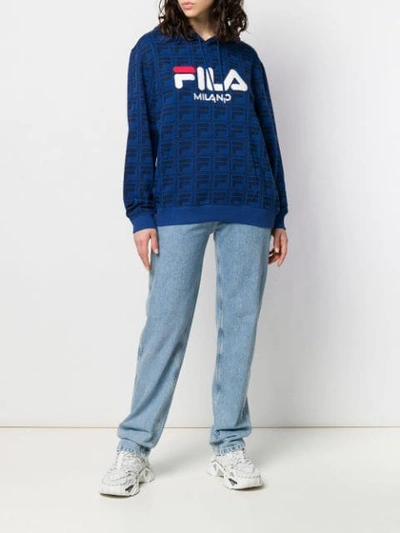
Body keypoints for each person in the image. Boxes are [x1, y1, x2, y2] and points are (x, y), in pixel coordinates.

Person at [100, 0, 289, 497]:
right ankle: (133, 448)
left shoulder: (245, 59)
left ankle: (229, 445)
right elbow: (141, 133)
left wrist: (279, 214)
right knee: (164, 324)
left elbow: (268, 134)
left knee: (240, 324)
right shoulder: (151, 52)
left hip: (249, 200)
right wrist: (141, 213)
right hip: (177, 202)